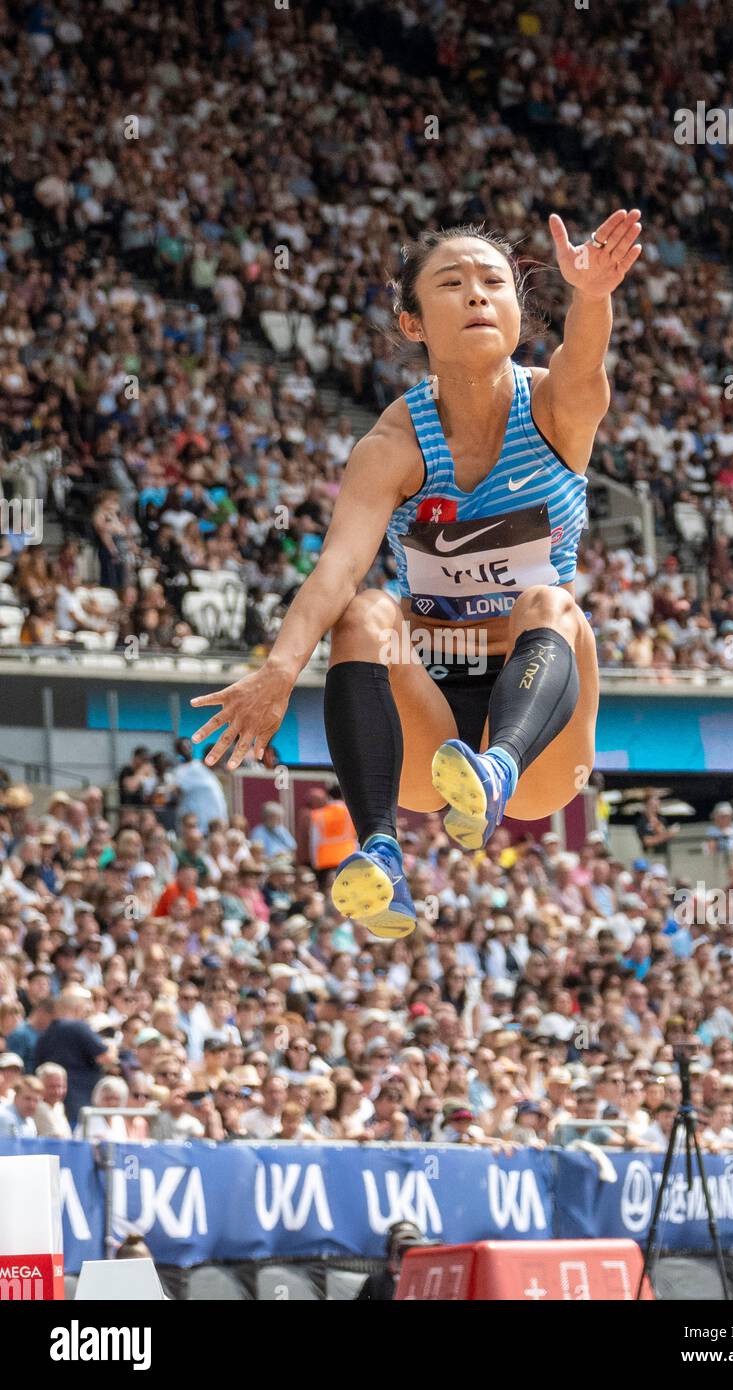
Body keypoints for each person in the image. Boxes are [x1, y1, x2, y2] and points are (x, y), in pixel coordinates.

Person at [191, 212, 643, 940]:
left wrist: (591, 295)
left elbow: (585, 362)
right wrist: (278, 671)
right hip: (426, 717)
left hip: (535, 738)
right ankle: (379, 852)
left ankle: (494, 769)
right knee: (368, 610)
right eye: (453, 283)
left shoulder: (557, 406)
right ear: (411, 322)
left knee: (551, 601)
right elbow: (336, 569)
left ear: (521, 311)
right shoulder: (394, 444)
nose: (477, 296)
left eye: (494, 282)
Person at [33, 986, 116, 1125]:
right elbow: (106, 1057)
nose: (87, 1014)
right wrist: (111, 1045)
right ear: (78, 1008)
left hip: (58, 1103)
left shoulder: (44, 1034)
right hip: (80, 1103)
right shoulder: (78, 1027)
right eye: (85, 1010)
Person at [355, 1221, 429, 1301]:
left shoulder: (428, 1282)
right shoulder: (376, 1282)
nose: (407, 1250)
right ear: (390, 1248)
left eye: (412, 1245)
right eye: (403, 1245)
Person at [166, 737, 228, 829]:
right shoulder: (186, 770)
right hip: (198, 827)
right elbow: (175, 790)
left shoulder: (206, 771)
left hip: (215, 826)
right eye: (183, 747)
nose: (187, 748)